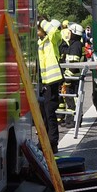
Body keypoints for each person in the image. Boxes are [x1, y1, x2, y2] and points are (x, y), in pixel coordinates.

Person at [37, 19, 63, 152]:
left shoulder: (52, 40)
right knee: (44, 113)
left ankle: (52, 142)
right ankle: (45, 142)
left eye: (38, 29)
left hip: (53, 80)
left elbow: (53, 31)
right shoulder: (40, 42)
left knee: (49, 112)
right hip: (45, 81)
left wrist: (40, 20)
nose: (37, 31)